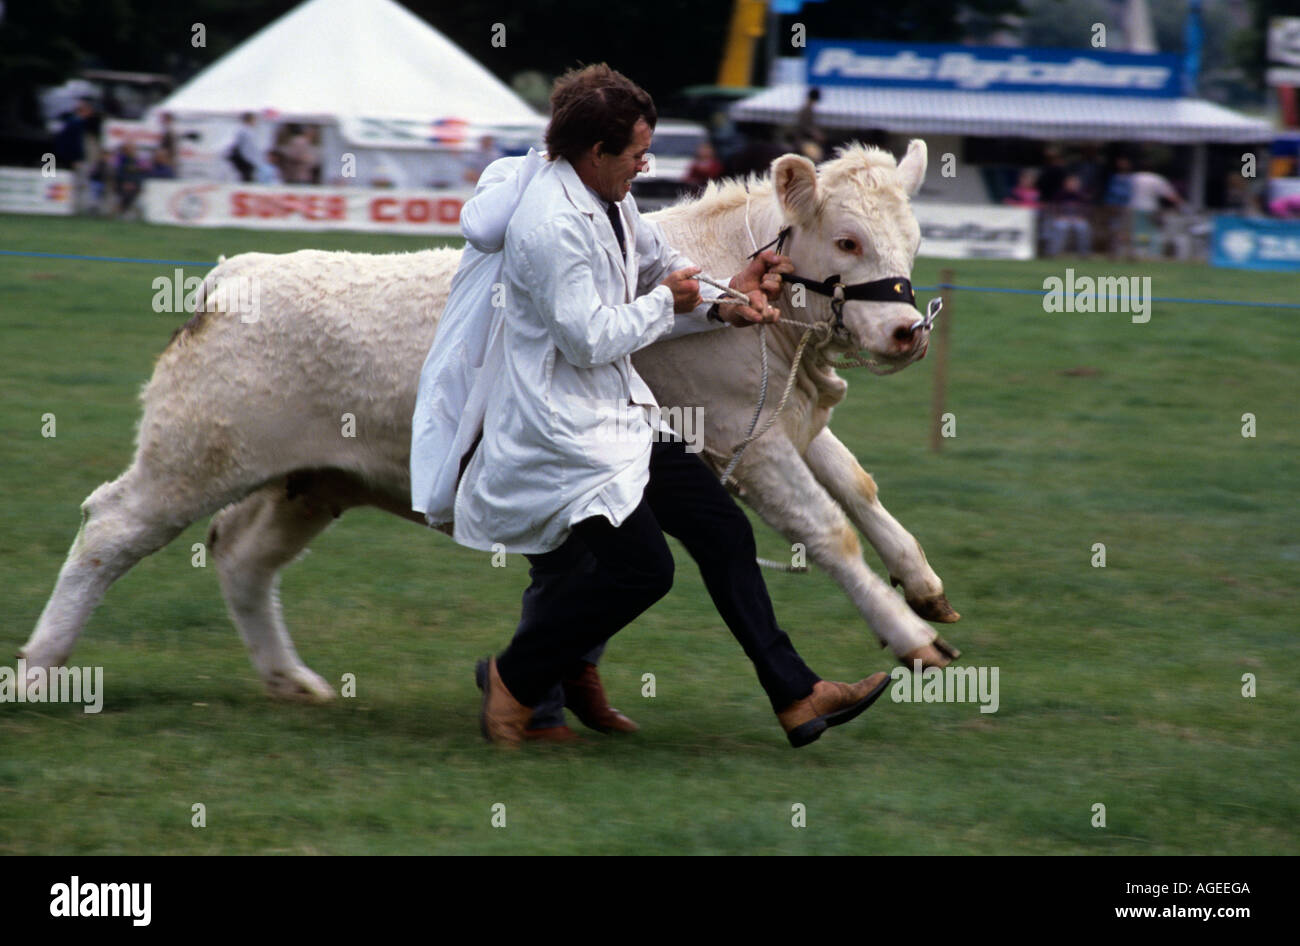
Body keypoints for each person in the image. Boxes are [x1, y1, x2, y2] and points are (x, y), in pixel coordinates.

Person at [435, 63, 892, 749]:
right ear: (596, 153)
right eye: (637, 151)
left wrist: (728, 299)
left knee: (722, 529)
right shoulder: (550, 225)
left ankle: (797, 695)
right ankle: (513, 680)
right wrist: (666, 305)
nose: (647, 163)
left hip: (618, 410)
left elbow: (659, 272)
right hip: (560, 427)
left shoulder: (610, 200)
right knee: (644, 571)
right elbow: (588, 337)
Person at [227, 113, 259, 182]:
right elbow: (245, 147)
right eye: (254, 120)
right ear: (250, 120)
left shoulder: (246, 130)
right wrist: (250, 160)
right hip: (243, 158)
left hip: (245, 158)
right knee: (246, 176)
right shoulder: (243, 131)